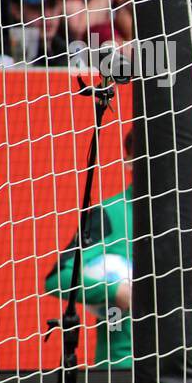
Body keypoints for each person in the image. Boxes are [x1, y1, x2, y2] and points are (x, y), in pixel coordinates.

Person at [43, 130, 136, 369]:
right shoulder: (110, 214)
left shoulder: (184, 213)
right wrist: (115, 290)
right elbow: (58, 278)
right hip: (121, 365)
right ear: (129, 163)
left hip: (178, 367)